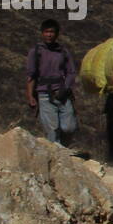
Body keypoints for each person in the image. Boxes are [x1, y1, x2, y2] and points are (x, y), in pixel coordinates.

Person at [25, 18, 78, 146]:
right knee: (52, 131)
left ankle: (64, 149)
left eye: (52, 32)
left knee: (69, 127)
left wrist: (65, 88)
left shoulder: (63, 52)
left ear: (57, 34)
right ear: (42, 33)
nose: (49, 34)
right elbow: (31, 75)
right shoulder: (36, 52)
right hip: (44, 94)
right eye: (46, 32)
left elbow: (71, 72)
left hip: (63, 93)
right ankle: (59, 156)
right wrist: (30, 96)